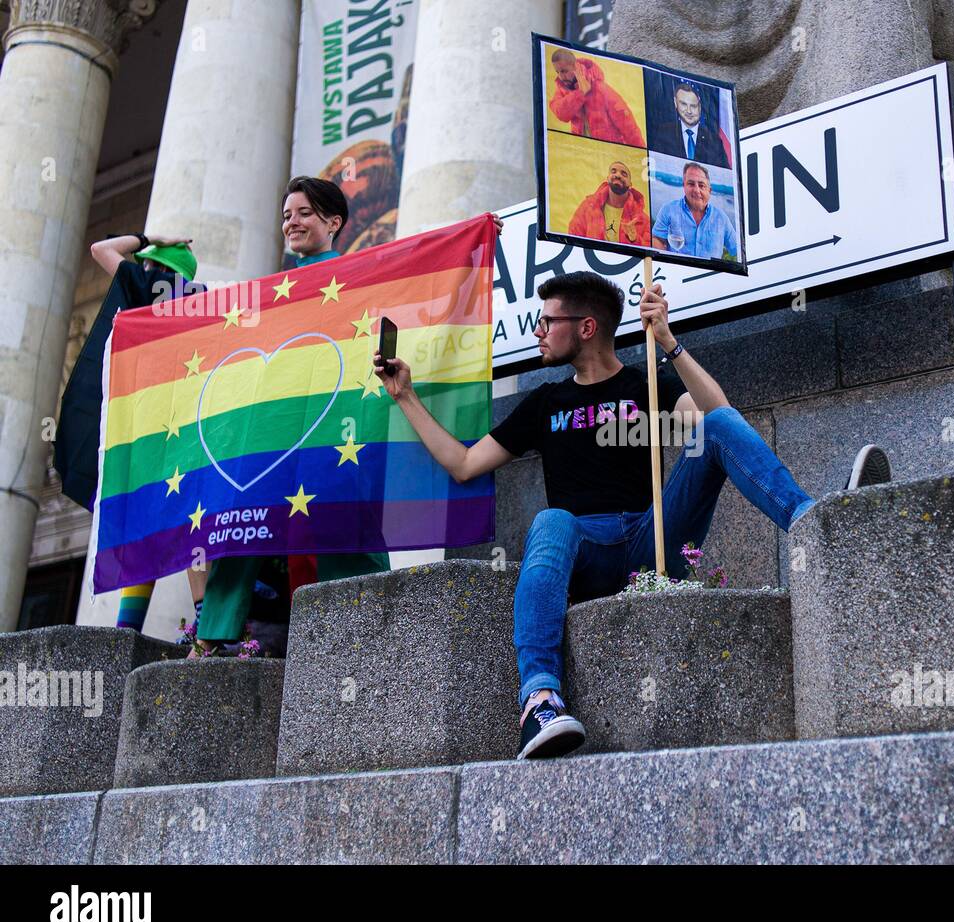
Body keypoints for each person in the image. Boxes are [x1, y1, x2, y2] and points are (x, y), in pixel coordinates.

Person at [376, 271, 890, 759]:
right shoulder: (544, 401)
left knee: (718, 425)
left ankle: (819, 523)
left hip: (652, 539)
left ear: (585, 327)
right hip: (586, 550)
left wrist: (669, 342)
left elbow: (717, 418)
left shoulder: (644, 382)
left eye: (546, 321)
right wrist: (405, 397)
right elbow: (464, 463)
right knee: (551, 520)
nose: (537, 332)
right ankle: (539, 702)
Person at [188, 177, 392, 658]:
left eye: (302, 213)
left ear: (333, 222)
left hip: (330, 426)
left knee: (340, 518)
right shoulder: (266, 294)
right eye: (286, 216)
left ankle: (363, 626)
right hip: (269, 428)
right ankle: (212, 634)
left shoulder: (359, 277)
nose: (291, 223)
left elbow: (377, 340)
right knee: (242, 520)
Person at [57, 232, 206, 633]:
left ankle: (128, 629)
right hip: (188, 426)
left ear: (155, 267)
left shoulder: (143, 286)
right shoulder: (201, 299)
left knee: (144, 525)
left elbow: (99, 249)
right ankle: (205, 621)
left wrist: (146, 238)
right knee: (193, 521)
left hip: (142, 428)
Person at [549, 48, 645, 147]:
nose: (561, 76)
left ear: (576, 67)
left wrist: (641, 156)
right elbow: (561, 114)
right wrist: (580, 93)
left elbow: (628, 126)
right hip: (582, 152)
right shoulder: (563, 88)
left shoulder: (601, 89)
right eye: (557, 72)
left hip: (609, 153)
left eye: (564, 71)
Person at [651, 162, 739, 259]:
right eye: (691, 184)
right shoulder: (668, 210)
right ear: (684, 186)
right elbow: (657, 239)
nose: (697, 190)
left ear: (709, 191)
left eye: (701, 185)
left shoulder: (721, 218)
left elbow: (737, 251)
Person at [567, 161, 651, 246]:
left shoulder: (643, 220)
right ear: (608, 178)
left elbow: (650, 254)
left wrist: (635, 240)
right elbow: (573, 237)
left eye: (624, 174)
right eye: (613, 171)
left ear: (630, 184)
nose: (618, 175)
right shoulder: (588, 206)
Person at [650, 81, 730, 168]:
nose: (689, 111)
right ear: (675, 103)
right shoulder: (663, 134)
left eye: (693, 106)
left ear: (699, 107)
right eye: (683, 104)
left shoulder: (714, 141)